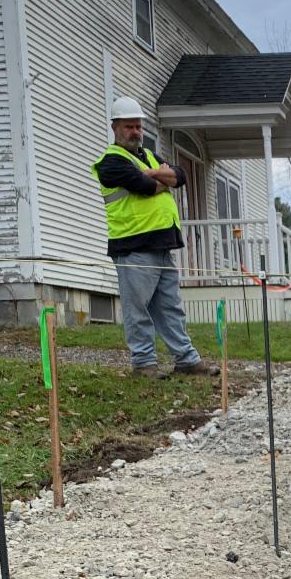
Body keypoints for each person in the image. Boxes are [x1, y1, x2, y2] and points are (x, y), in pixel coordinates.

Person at [91, 97, 211, 378]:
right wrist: (160, 178)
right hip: (133, 244)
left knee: (171, 307)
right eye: (129, 126)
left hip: (162, 243)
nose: (135, 132)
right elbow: (144, 186)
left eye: (138, 127)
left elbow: (179, 176)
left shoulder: (148, 157)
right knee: (138, 309)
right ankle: (144, 363)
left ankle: (186, 360)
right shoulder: (111, 162)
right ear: (115, 128)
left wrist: (156, 172)